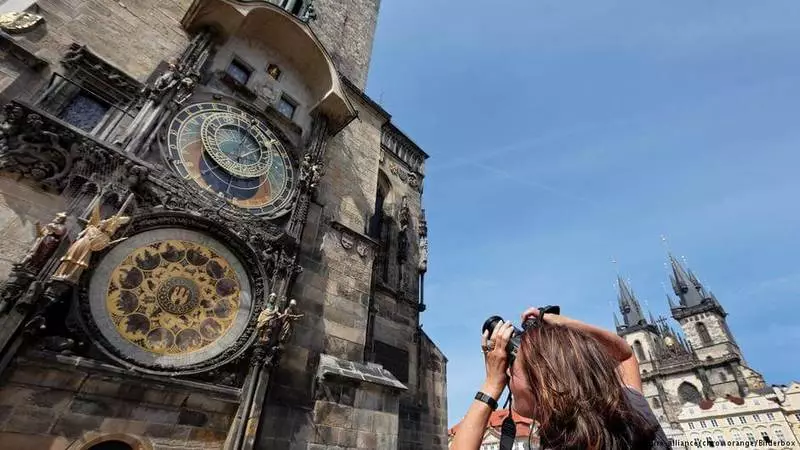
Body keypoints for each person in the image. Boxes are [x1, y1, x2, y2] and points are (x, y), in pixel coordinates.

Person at [451, 307, 671, 450]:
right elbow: (625, 354)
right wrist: (556, 322)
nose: (505, 374)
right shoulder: (632, 408)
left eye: (512, 369)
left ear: (543, 386)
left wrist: (490, 385)